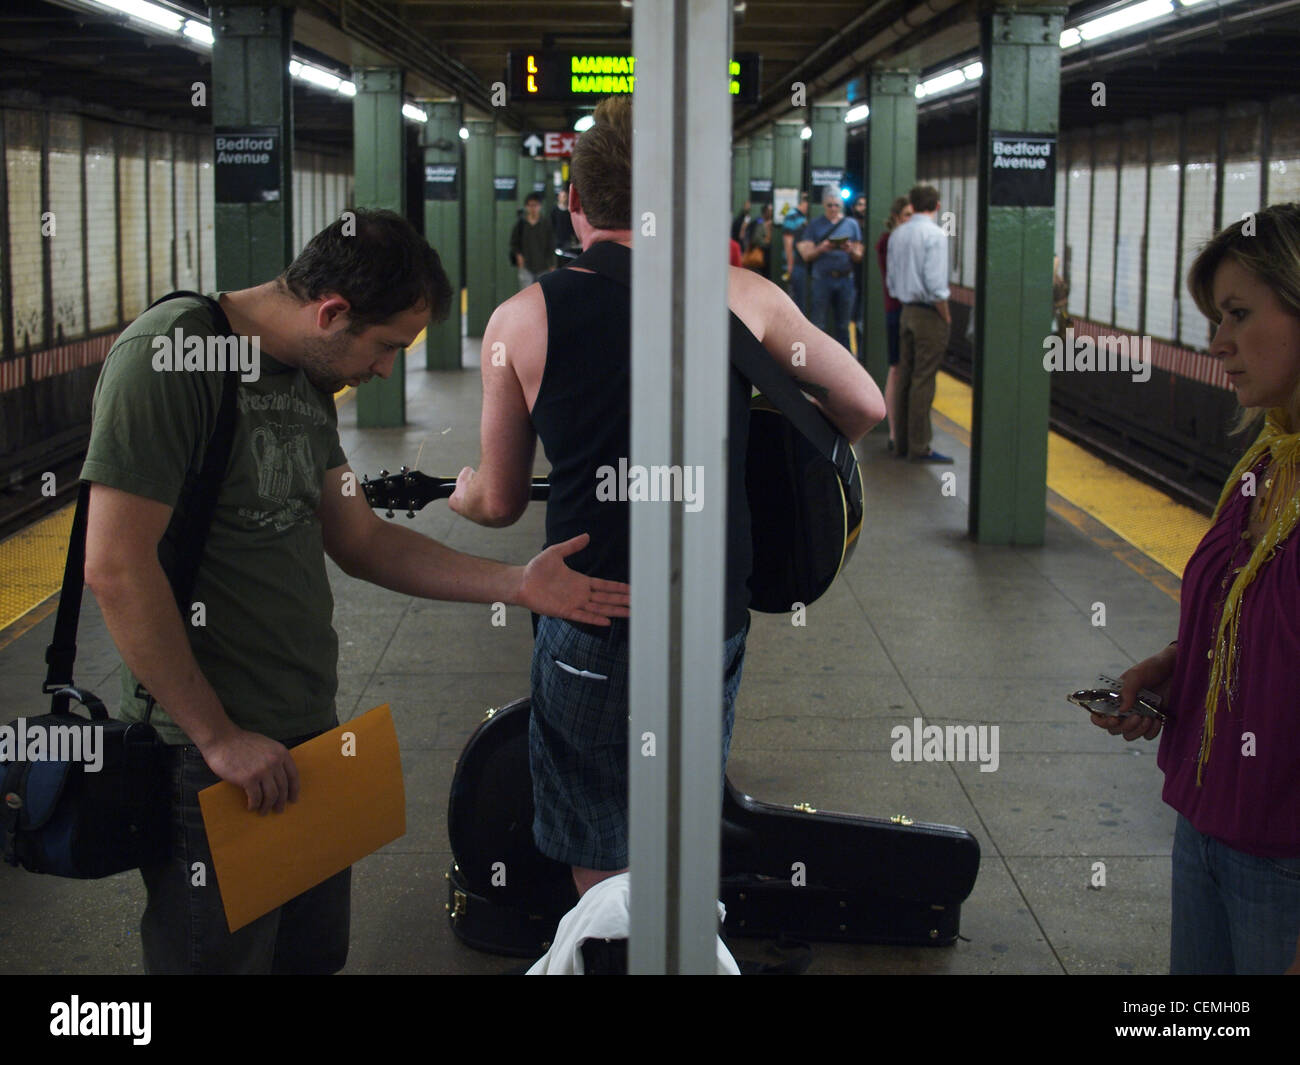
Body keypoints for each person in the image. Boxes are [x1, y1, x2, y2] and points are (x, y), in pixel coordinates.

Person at [81, 208, 631, 974]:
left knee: (311, 957)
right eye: (385, 349)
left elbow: (362, 538)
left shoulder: (302, 378)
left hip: (305, 735)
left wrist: (517, 584)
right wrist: (217, 736)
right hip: (206, 756)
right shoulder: (174, 354)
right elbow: (114, 564)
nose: (381, 371)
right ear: (332, 311)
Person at [450, 97, 884, 902]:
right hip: (711, 606)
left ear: (575, 200)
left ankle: (615, 940)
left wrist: (463, 495)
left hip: (593, 615)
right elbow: (864, 406)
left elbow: (501, 499)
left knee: (599, 844)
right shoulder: (744, 297)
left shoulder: (523, 317)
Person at [1090, 203, 1300, 976]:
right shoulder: (1267, 463)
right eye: (1217, 317)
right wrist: (1180, 664)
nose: (1218, 343)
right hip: (1207, 827)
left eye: (1240, 315)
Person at [886, 184, 952, 463]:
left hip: (905, 311)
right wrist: (946, 315)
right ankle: (920, 446)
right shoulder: (935, 235)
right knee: (923, 380)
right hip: (928, 313)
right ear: (937, 206)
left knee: (905, 376)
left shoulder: (897, 234)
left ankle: (900, 442)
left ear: (912, 205)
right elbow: (936, 284)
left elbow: (891, 279)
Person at [797, 190, 863, 355]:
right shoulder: (815, 225)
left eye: (836, 205)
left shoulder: (851, 224)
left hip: (845, 279)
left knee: (844, 325)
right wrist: (821, 248)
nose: (833, 209)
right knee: (818, 323)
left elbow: (859, 255)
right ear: (824, 206)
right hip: (822, 279)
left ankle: (845, 359)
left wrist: (850, 249)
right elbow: (806, 254)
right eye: (830, 205)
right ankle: (816, 358)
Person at [875, 195, 914, 454]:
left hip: (903, 310)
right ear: (897, 217)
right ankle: (893, 431)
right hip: (896, 311)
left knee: (904, 370)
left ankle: (901, 430)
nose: (911, 220)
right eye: (907, 215)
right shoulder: (889, 241)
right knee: (897, 369)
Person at [511, 192, 556, 290]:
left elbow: (551, 245)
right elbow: (514, 242)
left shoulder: (546, 224)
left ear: (540, 206)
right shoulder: (521, 224)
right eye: (530, 205)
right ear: (526, 207)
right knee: (526, 295)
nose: (533, 208)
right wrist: (518, 256)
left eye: (535, 205)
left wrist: (552, 265)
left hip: (543, 266)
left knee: (541, 295)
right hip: (526, 266)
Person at [782, 191, 810, 313]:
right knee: (797, 299)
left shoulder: (806, 217)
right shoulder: (792, 215)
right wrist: (790, 264)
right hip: (796, 263)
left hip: (806, 263)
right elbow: (788, 241)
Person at [552, 187, 577, 259]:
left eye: (565, 196)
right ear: (559, 197)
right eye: (562, 196)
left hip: (568, 239)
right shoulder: (554, 210)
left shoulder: (570, 211)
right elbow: (552, 224)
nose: (564, 198)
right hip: (557, 239)